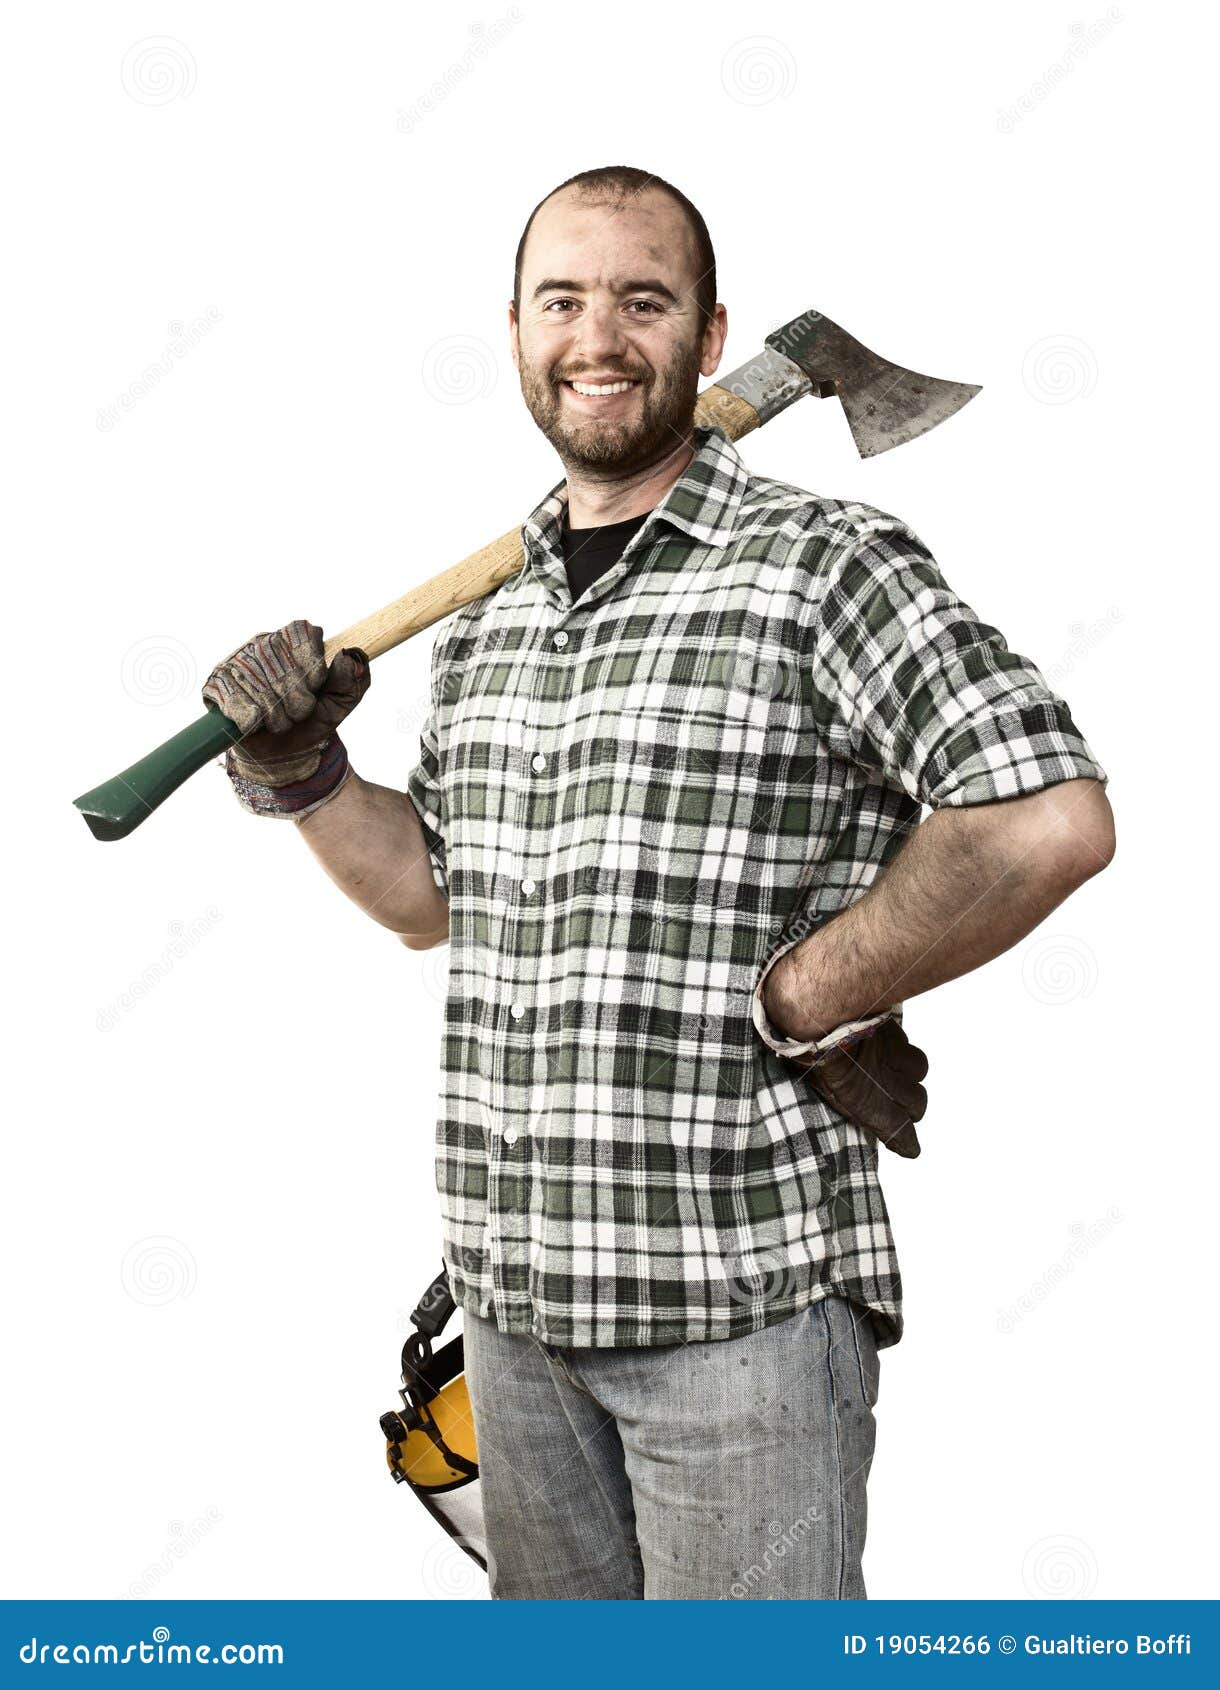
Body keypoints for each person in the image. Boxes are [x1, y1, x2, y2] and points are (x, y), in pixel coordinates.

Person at [202, 165, 1115, 1601]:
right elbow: (432, 899)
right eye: (563, 300)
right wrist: (309, 768)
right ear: (513, 330)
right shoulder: (494, 614)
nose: (599, 337)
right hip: (510, 1315)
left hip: (736, 1318)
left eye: (645, 300)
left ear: (710, 331)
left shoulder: (826, 565)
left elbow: (1045, 817)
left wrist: (814, 988)